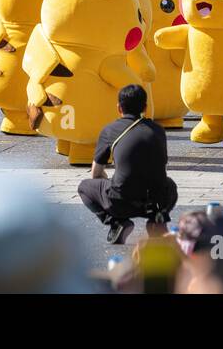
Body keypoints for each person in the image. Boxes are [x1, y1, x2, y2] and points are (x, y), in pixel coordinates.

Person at [76, 84, 178, 244]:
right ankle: (157, 219)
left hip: (121, 202)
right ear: (145, 107)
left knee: (84, 187)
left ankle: (115, 222)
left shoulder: (110, 130)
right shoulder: (158, 130)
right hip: (156, 200)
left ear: (119, 108)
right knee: (170, 185)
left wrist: (109, 181)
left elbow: (95, 173)